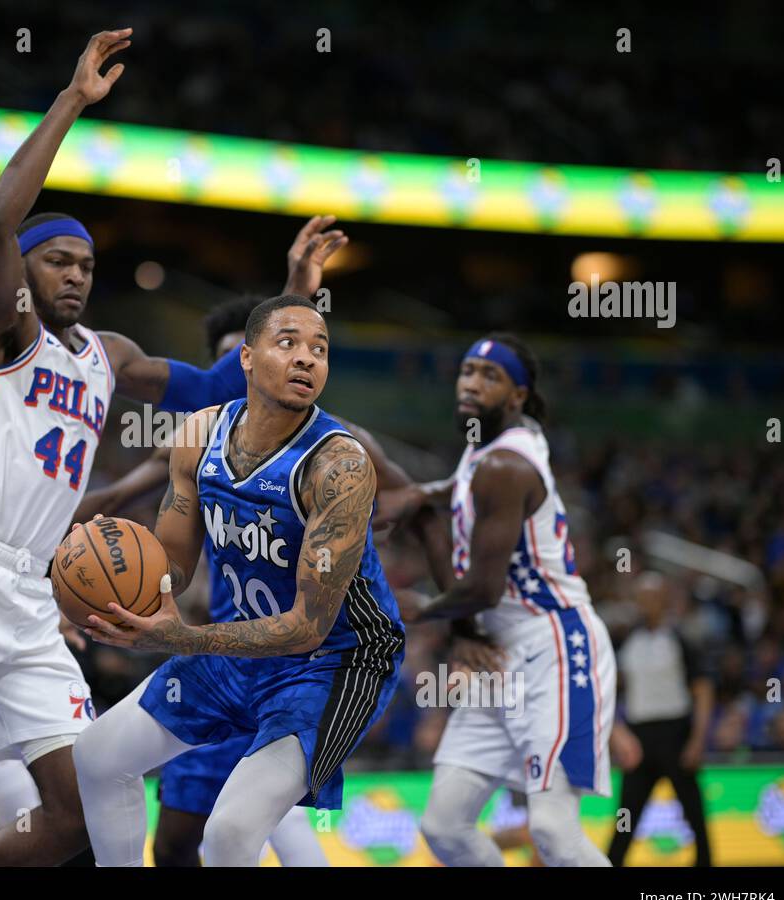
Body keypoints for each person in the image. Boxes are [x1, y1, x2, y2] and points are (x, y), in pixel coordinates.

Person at [0, 28, 321, 867]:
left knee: (76, 809)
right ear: (22, 270)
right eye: (57, 261)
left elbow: (215, 389)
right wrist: (72, 102)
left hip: (32, 593)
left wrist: (294, 302)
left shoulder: (107, 354)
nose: (76, 276)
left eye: (86, 264)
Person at [73, 280, 430, 867]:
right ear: (245, 357)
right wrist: (129, 582)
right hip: (243, 643)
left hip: (334, 661)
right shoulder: (198, 434)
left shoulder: (339, 465)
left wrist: (182, 638)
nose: (305, 358)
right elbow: (174, 565)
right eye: (287, 342)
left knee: (234, 832)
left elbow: (307, 628)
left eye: (319, 349)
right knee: (98, 756)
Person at [385, 333, 617, 867]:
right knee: (444, 825)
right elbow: (465, 486)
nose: (471, 382)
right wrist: (424, 492)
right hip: (500, 655)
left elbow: (483, 589)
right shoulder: (487, 450)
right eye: (467, 370)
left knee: (553, 832)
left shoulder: (505, 466)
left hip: (554, 645)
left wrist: (417, 608)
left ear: (517, 395)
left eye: (489, 376)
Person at [607, 571, 713, 866]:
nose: (646, 603)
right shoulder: (628, 641)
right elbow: (611, 687)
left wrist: (697, 740)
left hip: (676, 733)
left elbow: (703, 690)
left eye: (653, 596)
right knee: (625, 817)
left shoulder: (681, 637)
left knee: (694, 815)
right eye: (641, 597)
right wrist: (616, 730)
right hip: (639, 736)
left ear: (665, 599)